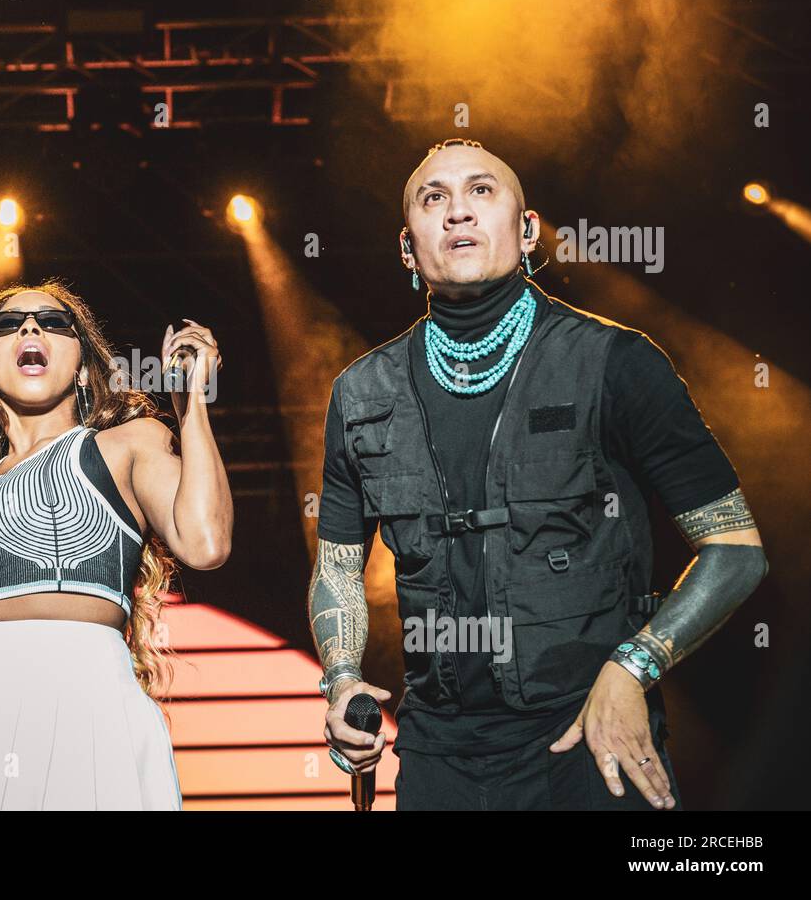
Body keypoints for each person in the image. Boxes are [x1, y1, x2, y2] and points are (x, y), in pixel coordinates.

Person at [308, 139, 768, 810]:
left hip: (591, 737)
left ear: (527, 232)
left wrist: (633, 666)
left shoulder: (618, 363)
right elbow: (338, 566)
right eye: (434, 199)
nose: (457, 213)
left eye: (481, 192)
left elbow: (736, 550)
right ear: (408, 249)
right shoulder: (360, 393)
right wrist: (342, 679)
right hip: (441, 753)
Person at [0, 280, 232, 810]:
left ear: (82, 365)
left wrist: (191, 402)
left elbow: (205, 542)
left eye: (53, 322)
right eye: (7, 324)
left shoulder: (125, 443)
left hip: (73, 691)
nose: (30, 328)